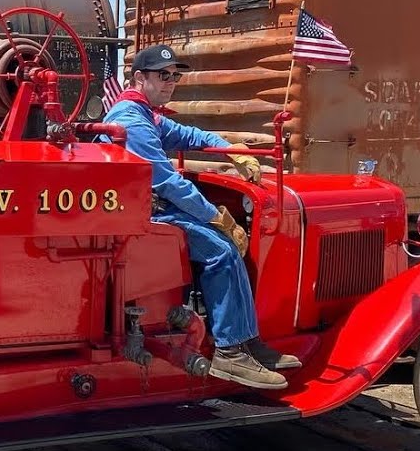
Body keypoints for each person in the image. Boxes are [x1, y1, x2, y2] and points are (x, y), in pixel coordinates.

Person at [103, 45, 300, 390]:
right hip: (142, 215)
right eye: (163, 76)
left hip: (149, 207)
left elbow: (190, 135)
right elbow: (167, 182)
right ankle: (228, 352)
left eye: (175, 76)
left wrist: (231, 150)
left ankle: (246, 339)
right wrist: (215, 216)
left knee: (224, 245)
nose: (171, 82)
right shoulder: (131, 120)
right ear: (139, 78)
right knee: (221, 250)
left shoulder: (146, 114)